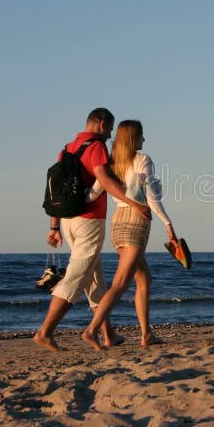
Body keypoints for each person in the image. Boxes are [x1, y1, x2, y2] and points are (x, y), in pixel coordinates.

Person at [34, 108, 151, 353]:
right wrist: (133, 203)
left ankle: (109, 335)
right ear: (100, 124)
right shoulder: (96, 146)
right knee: (77, 276)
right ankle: (45, 332)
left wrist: (54, 226)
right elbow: (104, 181)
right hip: (89, 220)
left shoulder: (67, 148)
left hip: (68, 221)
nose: (110, 135)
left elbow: (57, 189)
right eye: (109, 129)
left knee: (94, 279)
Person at [81, 119, 178, 350]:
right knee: (120, 283)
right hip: (137, 222)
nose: (145, 139)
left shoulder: (111, 163)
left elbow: (92, 194)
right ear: (134, 138)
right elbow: (152, 198)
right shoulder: (143, 160)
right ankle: (91, 330)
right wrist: (168, 225)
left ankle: (147, 335)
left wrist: (65, 214)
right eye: (142, 135)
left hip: (118, 223)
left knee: (143, 279)